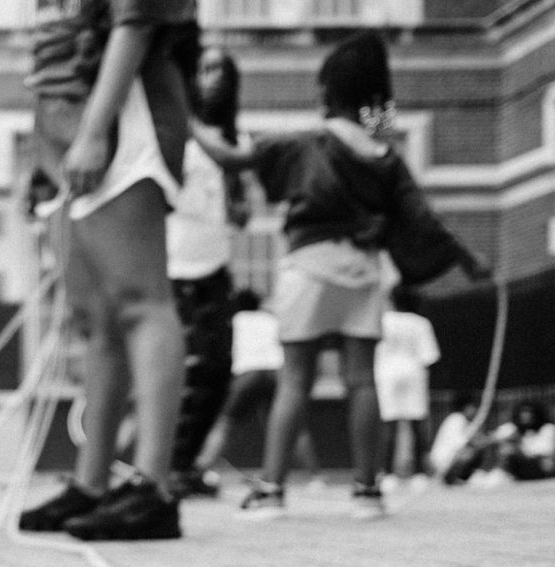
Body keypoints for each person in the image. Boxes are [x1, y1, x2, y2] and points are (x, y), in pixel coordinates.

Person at [189, 30, 488, 520]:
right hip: (364, 271)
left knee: (294, 379)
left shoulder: (307, 143)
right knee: (361, 380)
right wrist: (467, 260)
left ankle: (271, 491)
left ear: (328, 92)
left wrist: (184, 113)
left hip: (308, 269)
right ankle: (367, 491)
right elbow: (423, 221)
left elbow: (231, 157)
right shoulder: (385, 156)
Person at [15, 0, 200, 540]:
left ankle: (153, 485)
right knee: (96, 320)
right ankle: (92, 481)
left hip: (121, 109)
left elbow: (138, 18)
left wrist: (95, 129)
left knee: (142, 302)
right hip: (66, 116)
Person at [166, 45, 250, 500]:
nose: (211, 77)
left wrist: (239, 205)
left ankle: (185, 464)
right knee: (183, 371)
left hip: (215, 266)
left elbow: (241, 210)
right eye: (204, 67)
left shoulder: (233, 138)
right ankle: (163, 466)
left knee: (219, 370)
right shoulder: (177, 129)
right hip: (173, 266)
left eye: (219, 68)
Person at [190, 291, 321, 490]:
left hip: (247, 373)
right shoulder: (270, 319)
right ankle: (315, 475)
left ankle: (200, 469)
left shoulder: (234, 320)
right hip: (277, 371)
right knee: (294, 426)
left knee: (226, 424)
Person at [375, 287, 440, 492]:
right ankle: (419, 473)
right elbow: (429, 355)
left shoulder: (382, 321)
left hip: (386, 373)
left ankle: (387, 473)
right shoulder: (420, 323)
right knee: (417, 422)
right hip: (413, 372)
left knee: (389, 423)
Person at [430, 393, 479, 483]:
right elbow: (462, 445)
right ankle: (448, 477)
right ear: (466, 407)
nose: (475, 410)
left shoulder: (462, 420)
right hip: (445, 460)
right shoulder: (457, 419)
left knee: (471, 450)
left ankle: (456, 477)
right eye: (473, 407)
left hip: (447, 460)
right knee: (471, 451)